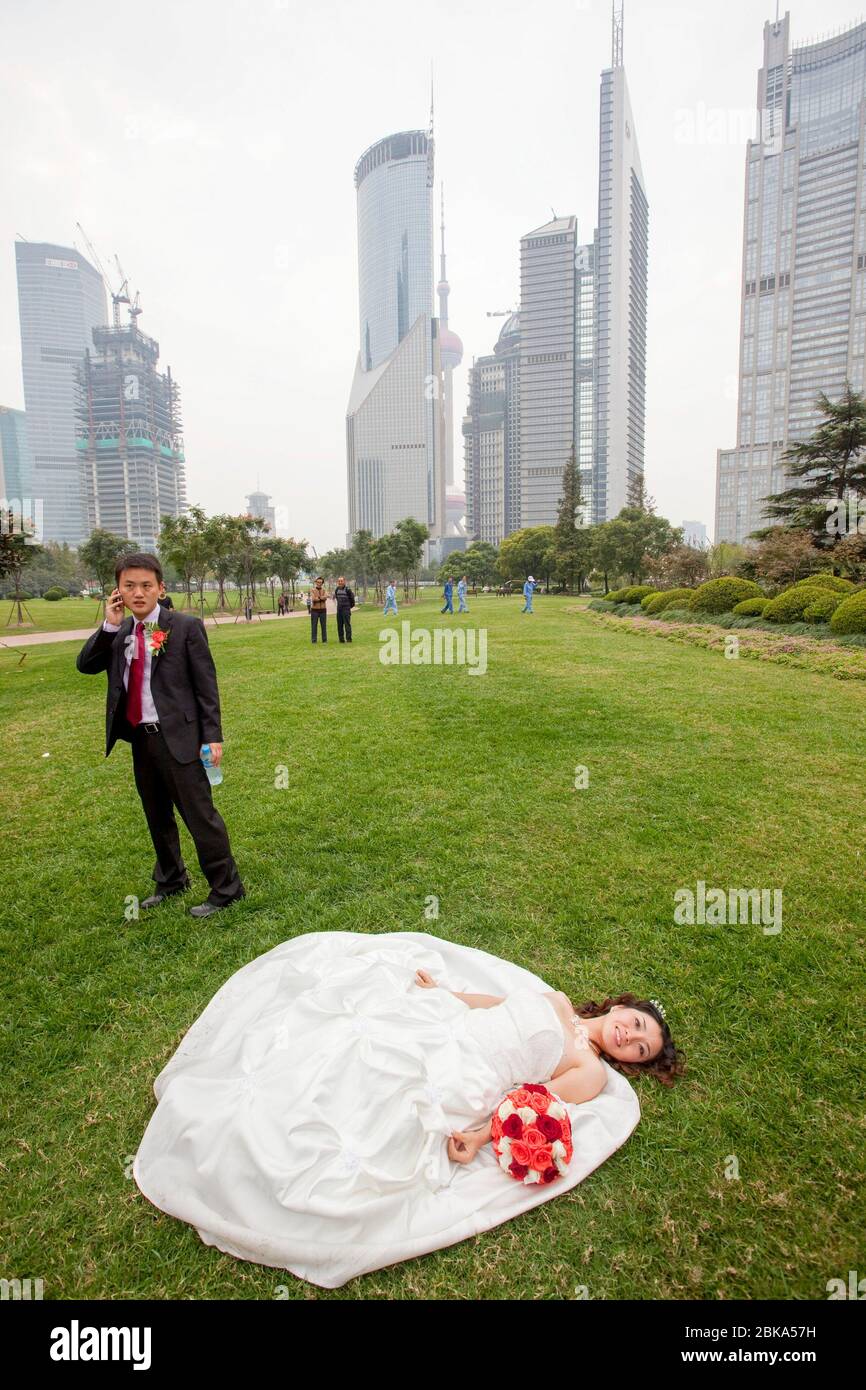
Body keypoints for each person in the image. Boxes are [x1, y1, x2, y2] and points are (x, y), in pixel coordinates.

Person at [132, 932, 683, 1287]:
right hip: (449, 1026)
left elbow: (532, 1104)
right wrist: (443, 993)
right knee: (349, 1045)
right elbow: (495, 1004)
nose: (628, 1037)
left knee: (383, 1100)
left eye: (639, 1048)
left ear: (631, 1062)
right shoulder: (558, 1001)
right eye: (634, 1024)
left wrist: (478, 1137)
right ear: (619, 1006)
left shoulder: (588, 1073)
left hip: (472, 1073)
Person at [76, 552, 245, 919]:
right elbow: (85, 665)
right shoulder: (120, 631)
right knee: (157, 815)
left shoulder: (183, 626)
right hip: (141, 738)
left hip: (181, 738)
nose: (138, 593)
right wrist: (108, 626)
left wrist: (212, 737)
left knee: (200, 815)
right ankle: (171, 880)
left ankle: (227, 888)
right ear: (117, 591)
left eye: (146, 585)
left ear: (160, 588)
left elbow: (206, 687)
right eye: (129, 586)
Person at [333, 575, 356, 643]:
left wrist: (348, 607)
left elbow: (352, 600)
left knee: (347, 625)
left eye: (341, 581)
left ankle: (349, 639)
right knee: (339, 625)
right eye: (339, 581)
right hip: (339, 610)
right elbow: (337, 598)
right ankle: (341, 640)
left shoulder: (348, 590)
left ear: (344, 581)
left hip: (346, 610)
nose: (340, 582)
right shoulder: (337, 589)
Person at [309, 576, 328, 642]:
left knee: (324, 626)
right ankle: (314, 640)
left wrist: (319, 598)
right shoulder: (312, 590)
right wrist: (321, 598)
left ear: (322, 583)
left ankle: (324, 640)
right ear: (316, 582)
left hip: (323, 610)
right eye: (317, 582)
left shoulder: (324, 590)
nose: (319, 583)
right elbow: (313, 599)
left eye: (320, 582)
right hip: (314, 610)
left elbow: (326, 597)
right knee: (314, 626)